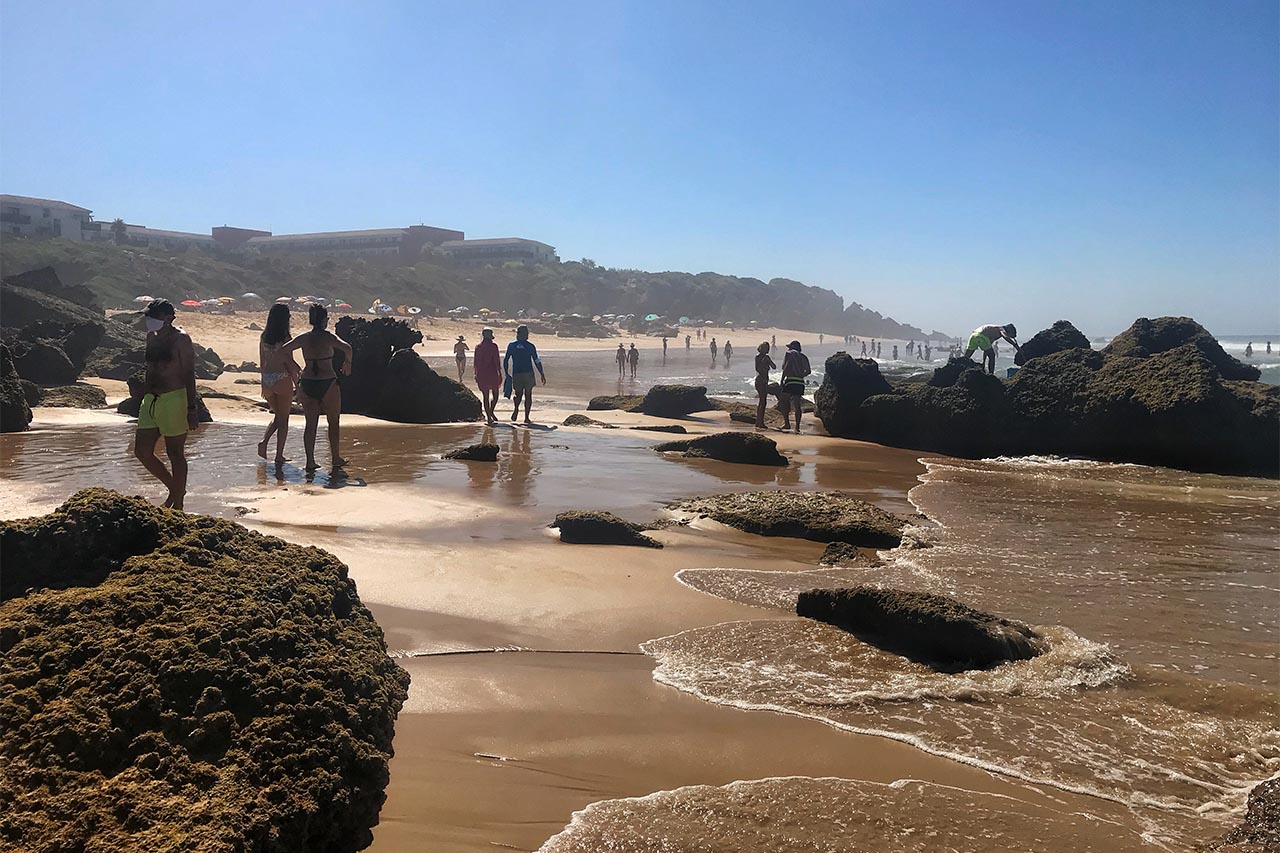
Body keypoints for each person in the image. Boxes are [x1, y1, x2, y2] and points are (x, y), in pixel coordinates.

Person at [133, 300, 200, 510]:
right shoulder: (150, 337)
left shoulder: (181, 339)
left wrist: (192, 408)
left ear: (169, 318)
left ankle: (178, 502)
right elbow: (150, 369)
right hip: (151, 400)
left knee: (175, 453)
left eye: (154, 317)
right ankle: (175, 489)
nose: (149, 321)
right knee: (142, 451)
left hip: (174, 399)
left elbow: (189, 373)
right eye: (148, 316)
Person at [282, 304, 352, 472]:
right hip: (327, 380)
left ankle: (310, 461)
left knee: (310, 424)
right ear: (323, 320)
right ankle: (335, 458)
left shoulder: (304, 338)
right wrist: (348, 363)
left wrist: (292, 363)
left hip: (307, 382)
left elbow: (284, 350)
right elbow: (347, 347)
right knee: (333, 422)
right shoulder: (328, 337)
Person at [256, 304, 300, 464]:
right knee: (284, 419)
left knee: (279, 417)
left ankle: (264, 443)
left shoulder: (264, 336)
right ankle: (278, 455)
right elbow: (289, 364)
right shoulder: (286, 339)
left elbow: (262, 361)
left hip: (268, 379)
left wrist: (263, 383)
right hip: (282, 379)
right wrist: (297, 386)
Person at [504, 324, 546, 425]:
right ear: (523, 334)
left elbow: (506, 360)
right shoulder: (530, 346)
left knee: (518, 394)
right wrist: (542, 373)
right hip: (528, 373)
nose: (528, 335)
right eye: (527, 333)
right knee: (528, 395)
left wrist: (506, 373)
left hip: (516, 373)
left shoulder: (512, 345)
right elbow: (537, 360)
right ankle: (526, 418)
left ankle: (516, 409)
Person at [779, 340, 811, 434]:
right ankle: (797, 427)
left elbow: (785, 367)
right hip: (800, 381)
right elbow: (808, 371)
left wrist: (782, 380)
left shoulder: (789, 354)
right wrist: (801, 375)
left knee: (784, 401)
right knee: (797, 404)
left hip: (790, 380)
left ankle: (787, 423)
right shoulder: (804, 357)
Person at [474, 327, 503, 424]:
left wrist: (476, 374)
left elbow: (476, 363)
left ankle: (489, 416)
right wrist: (500, 373)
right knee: (495, 395)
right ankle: (490, 412)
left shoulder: (478, 347)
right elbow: (497, 361)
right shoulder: (494, 346)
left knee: (485, 396)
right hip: (492, 373)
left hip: (482, 373)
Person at [754, 342, 776, 429]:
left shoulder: (766, 357)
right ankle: (760, 422)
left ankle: (758, 421)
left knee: (762, 402)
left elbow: (774, 366)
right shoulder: (758, 357)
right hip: (760, 381)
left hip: (764, 381)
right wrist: (764, 363)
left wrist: (769, 361)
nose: (767, 350)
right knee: (763, 401)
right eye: (766, 348)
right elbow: (758, 369)